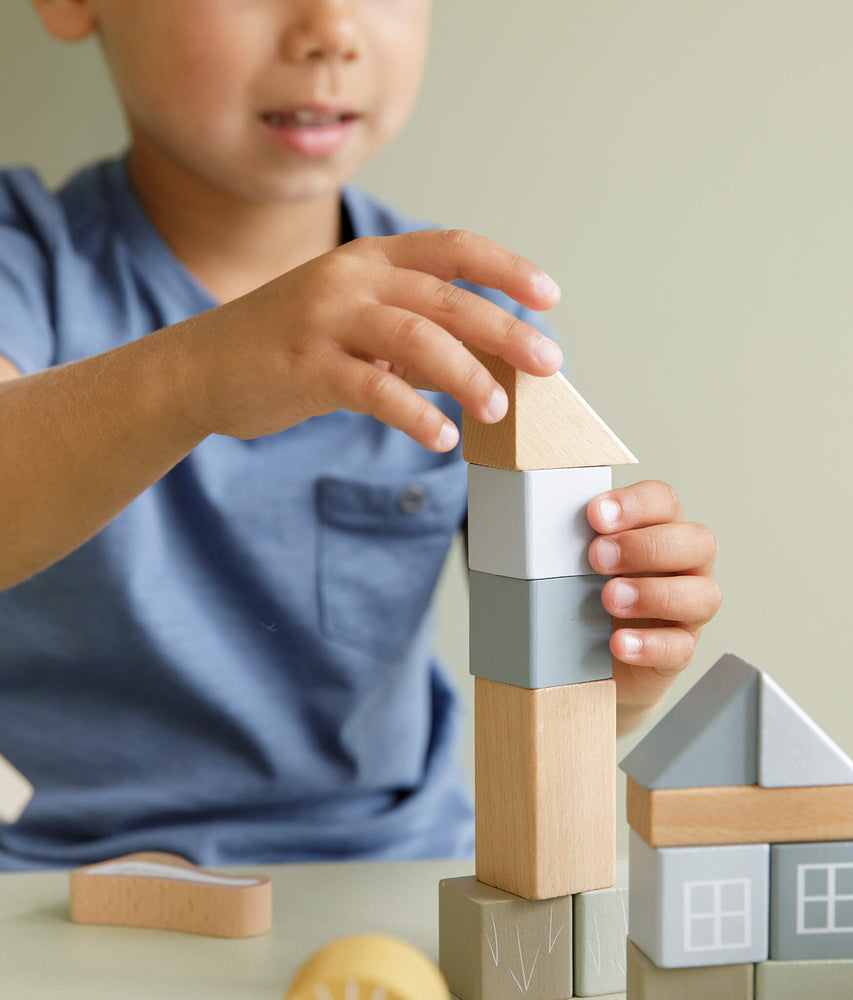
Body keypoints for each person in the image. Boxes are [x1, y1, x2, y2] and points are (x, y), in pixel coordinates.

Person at [0, 0, 722, 870]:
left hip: (383, 868)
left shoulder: (460, 327)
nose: (331, 30)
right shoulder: (23, 261)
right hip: (45, 879)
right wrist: (195, 376)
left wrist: (612, 679)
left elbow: (559, 666)